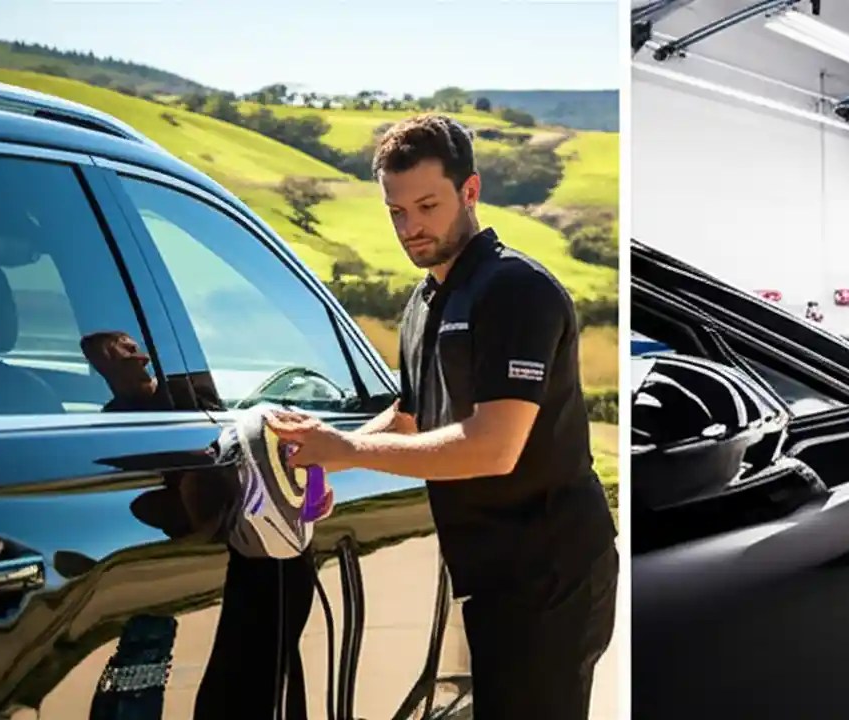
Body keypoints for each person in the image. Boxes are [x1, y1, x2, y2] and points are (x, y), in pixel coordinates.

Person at [265, 114, 618, 719]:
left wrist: (345, 451)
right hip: (491, 576)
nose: (411, 227)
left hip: (551, 574)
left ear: (471, 191)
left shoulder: (516, 291)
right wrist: (317, 456)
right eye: (397, 212)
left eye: (426, 205)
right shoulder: (425, 300)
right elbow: (411, 417)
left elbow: (492, 448)